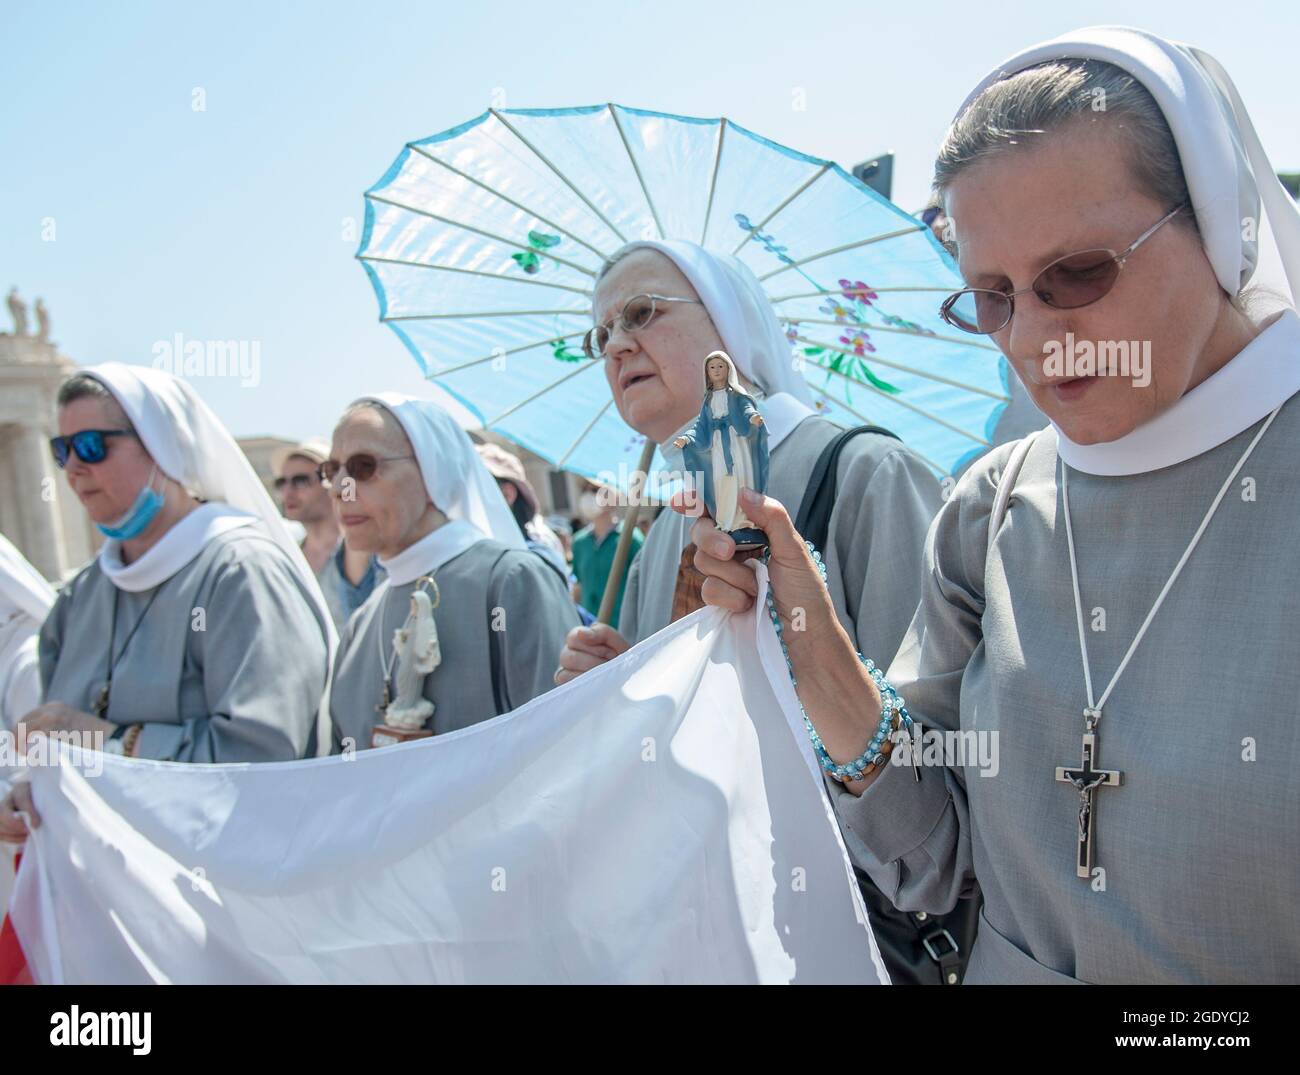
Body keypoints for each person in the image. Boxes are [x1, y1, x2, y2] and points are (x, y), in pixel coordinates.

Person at [681, 27, 1300, 983]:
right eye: (990, 297)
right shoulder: (992, 507)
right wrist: (813, 642)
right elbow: (934, 862)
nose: (1035, 335)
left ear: (1218, 223)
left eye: (1080, 274)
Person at [554, 240, 963, 984]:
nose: (615, 344)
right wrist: (622, 689)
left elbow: (936, 792)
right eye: (600, 334)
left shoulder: (868, 475)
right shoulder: (659, 540)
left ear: (730, 326)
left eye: (640, 312)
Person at [0, 364, 334, 844]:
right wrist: (30, 789)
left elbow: (264, 762)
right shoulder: (83, 594)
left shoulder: (241, 573)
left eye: (93, 445)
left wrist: (108, 741)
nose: (73, 467)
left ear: (164, 445)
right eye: (62, 449)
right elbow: (57, 740)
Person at [327, 394, 580, 750]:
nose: (340, 488)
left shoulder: (513, 580)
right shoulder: (361, 624)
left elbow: (566, 748)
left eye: (363, 467)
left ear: (434, 469)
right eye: (330, 470)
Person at [274, 438, 381, 629]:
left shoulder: (357, 550)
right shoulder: (287, 555)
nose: (288, 492)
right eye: (282, 482)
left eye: (301, 481)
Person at [569, 481, 643, 626]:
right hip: (590, 629)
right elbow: (578, 586)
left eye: (595, 490)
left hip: (624, 627)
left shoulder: (631, 538)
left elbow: (644, 584)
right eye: (585, 490)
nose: (588, 496)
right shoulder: (579, 542)